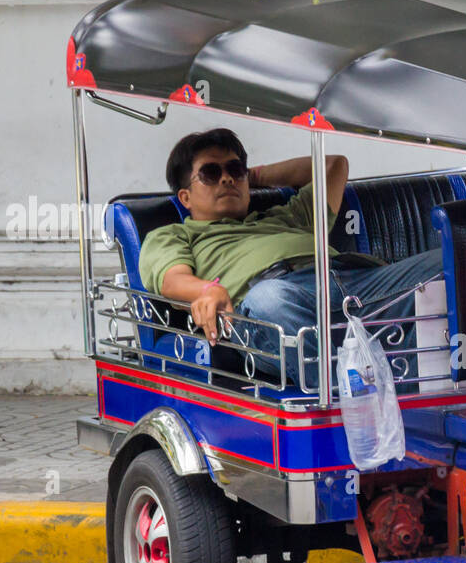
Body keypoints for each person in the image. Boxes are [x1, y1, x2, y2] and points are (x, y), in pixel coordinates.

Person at [138, 128, 442, 386]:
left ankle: (410, 390)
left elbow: (334, 166)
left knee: (448, 263)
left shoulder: (290, 216)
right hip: (274, 306)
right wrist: (207, 290)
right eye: (211, 173)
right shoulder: (175, 234)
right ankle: (354, 399)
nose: (227, 179)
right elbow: (172, 278)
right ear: (185, 197)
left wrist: (254, 175)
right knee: (268, 299)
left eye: (235, 170)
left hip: (355, 283)